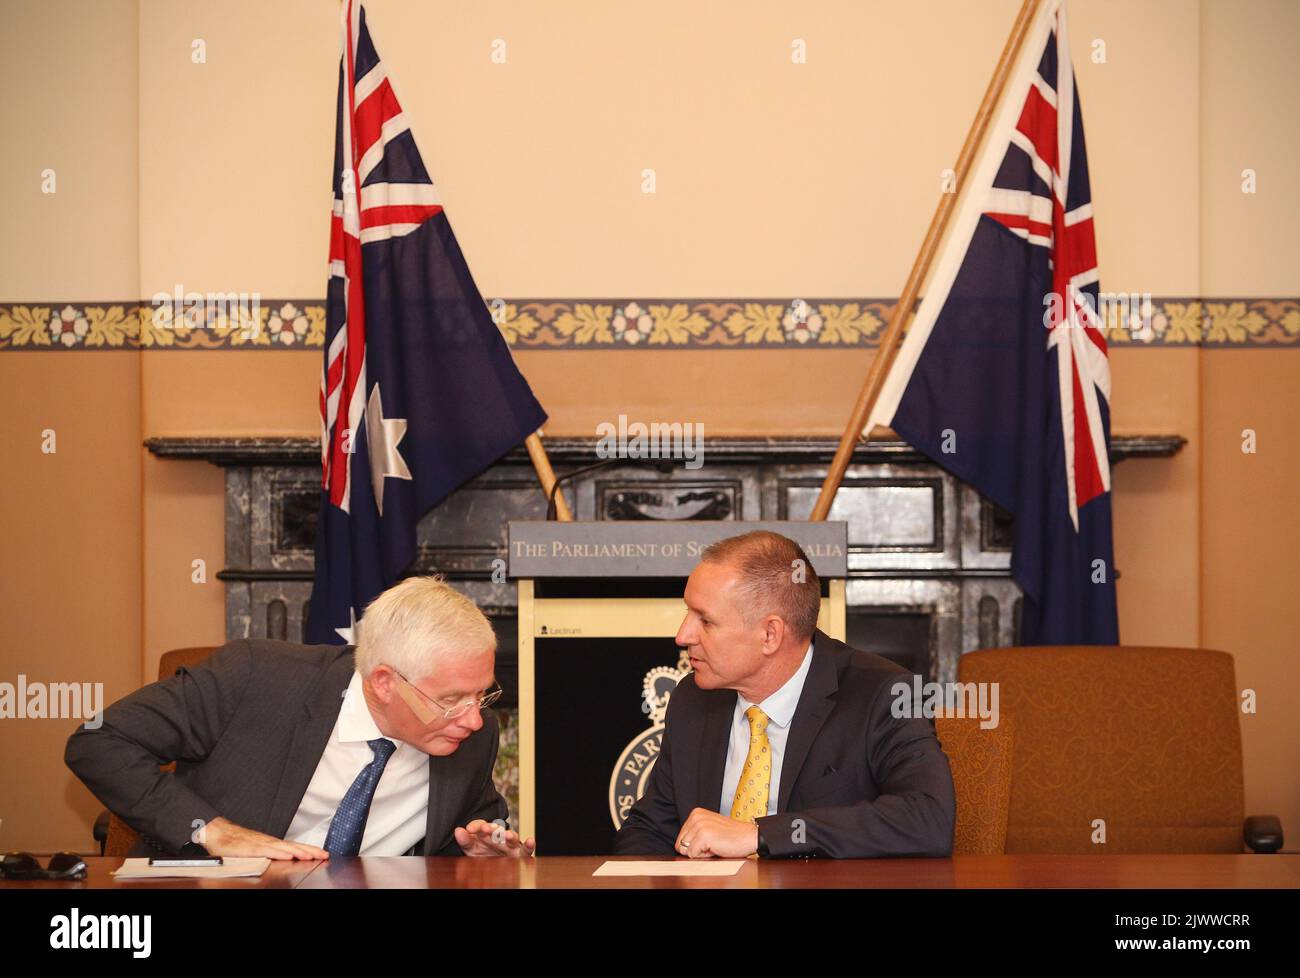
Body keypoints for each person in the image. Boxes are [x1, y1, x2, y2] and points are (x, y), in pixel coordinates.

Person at [66, 576, 534, 859]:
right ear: (385, 682)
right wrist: (209, 830)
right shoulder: (257, 678)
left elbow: (461, 838)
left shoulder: (471, 736)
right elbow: (98, 740)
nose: (473, 718)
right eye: (452, 698)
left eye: (483, 694)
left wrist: (477, 855)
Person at [613, 530, 955, 859]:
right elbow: (650, 830)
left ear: (770, 634)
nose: (682, 635)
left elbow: (927, 819)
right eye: (688, 613)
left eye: (705, 620)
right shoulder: (693, 699)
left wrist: (761, 835)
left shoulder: (883, 695)